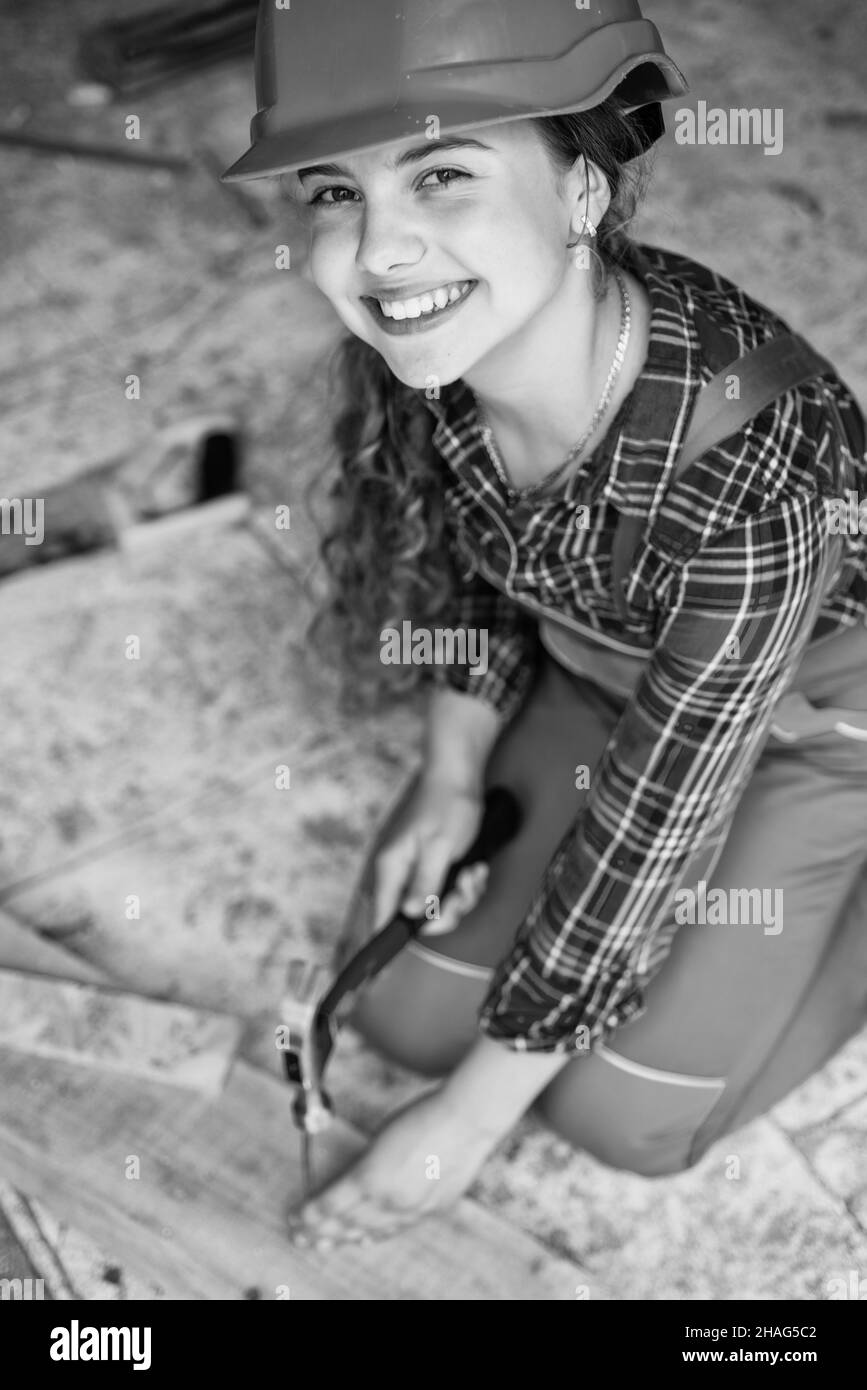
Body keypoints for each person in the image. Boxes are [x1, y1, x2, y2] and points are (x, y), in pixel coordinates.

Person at [223, 0, 867, 1251]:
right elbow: (456, 563)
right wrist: (452, 769)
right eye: (332, 194)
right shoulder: (440, 344)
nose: (382, 251)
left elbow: (656, 819)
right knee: (406, 1014)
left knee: (624, 1116)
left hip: (805, 721)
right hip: (603, 665)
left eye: (443, 173)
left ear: (581, 193)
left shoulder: (756, 471)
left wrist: (462, 1128)